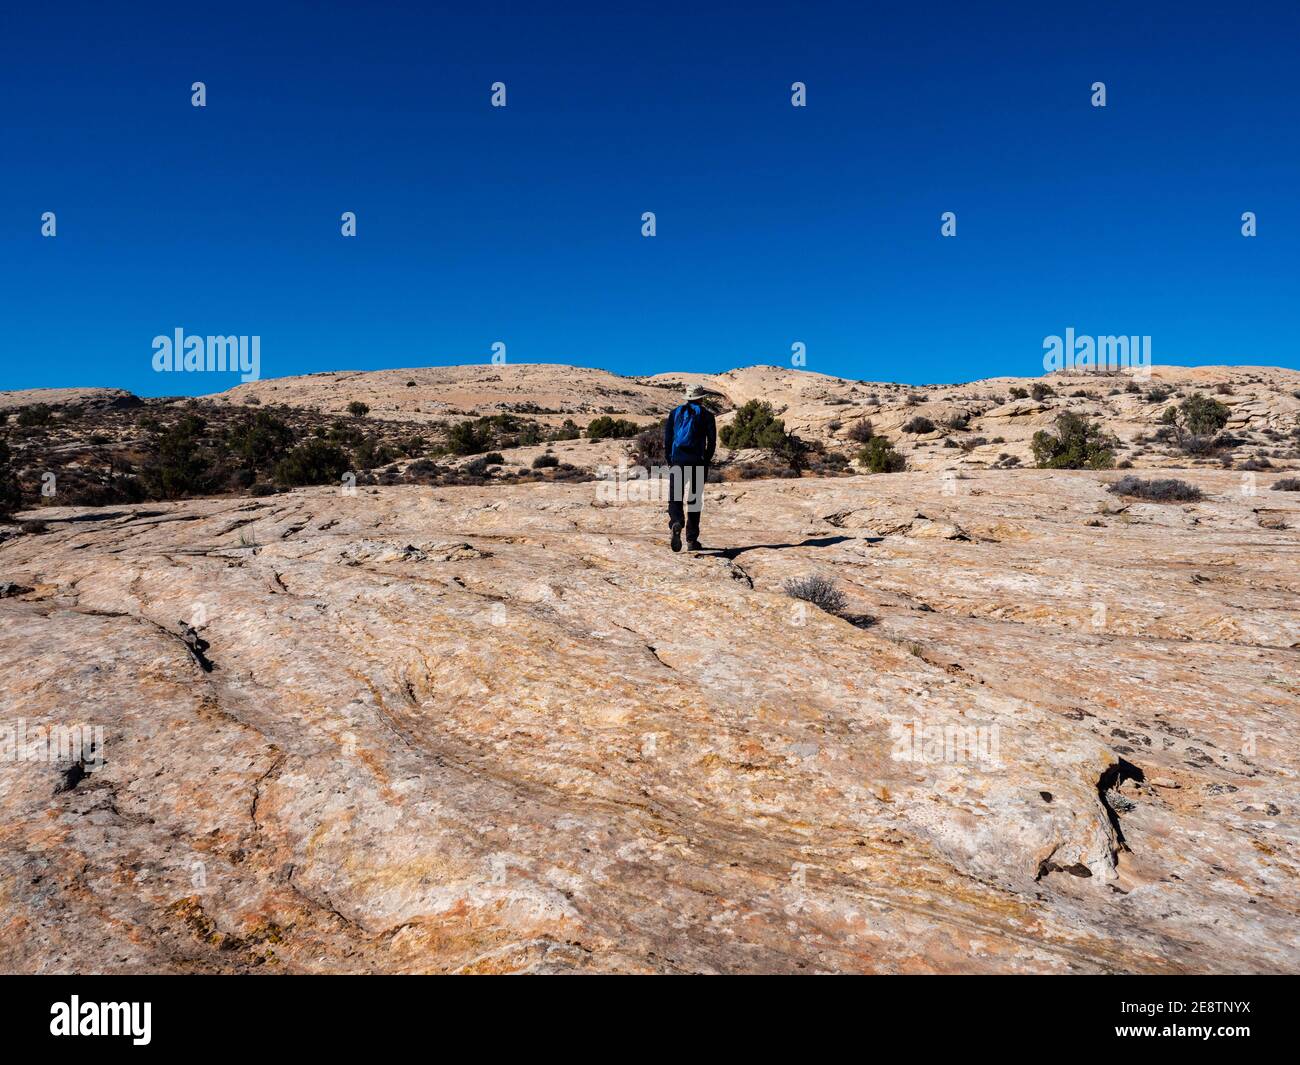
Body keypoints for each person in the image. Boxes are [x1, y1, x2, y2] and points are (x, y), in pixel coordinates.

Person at [663, 384, 717, 552]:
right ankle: (692, 540)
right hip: (697, 461)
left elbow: (668, 439)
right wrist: (705, 460)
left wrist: (670, 459)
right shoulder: (707, 416)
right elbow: (712, 442)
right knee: (694, 501)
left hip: (678, 460)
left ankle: (676, 522)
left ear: (687, 397)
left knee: (675, 496)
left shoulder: (675, 413)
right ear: (701, 398)